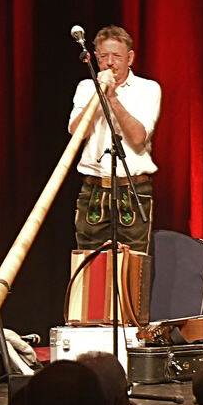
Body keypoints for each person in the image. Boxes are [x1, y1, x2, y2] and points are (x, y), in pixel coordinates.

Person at [68, 25, 161, 253]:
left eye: (117, 56)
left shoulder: (148, 89)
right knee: (88, 261)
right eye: (103, 57)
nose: (110, 63)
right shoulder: (86, 87)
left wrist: (113, 99)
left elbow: (138, 137)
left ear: (130, 58)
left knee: (134, 262)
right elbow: (76, 133)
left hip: (132, 189)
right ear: (95, 58)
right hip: (93, 190)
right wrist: (99, 95)